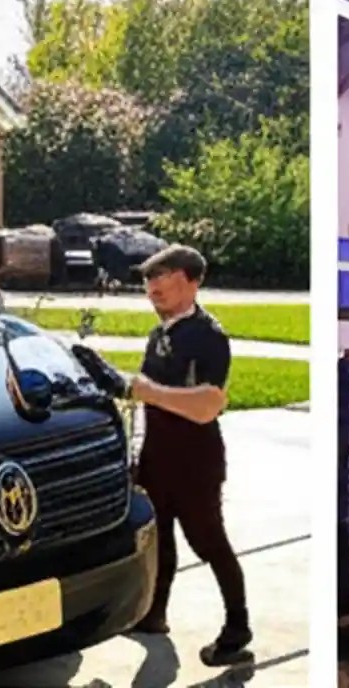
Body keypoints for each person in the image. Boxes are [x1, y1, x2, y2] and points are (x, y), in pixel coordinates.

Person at [69, 244, 252, 667]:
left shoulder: (208, 335)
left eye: (162, 278)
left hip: (195, 459)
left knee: (209, 542)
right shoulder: (159, 335)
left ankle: (237, 626)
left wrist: (143, 389)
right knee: (159, 540)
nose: (152, 287)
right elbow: (144, 394)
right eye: (149, 280)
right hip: (159, 455)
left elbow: (208, 404)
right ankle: (155, 613)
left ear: (192, 281)